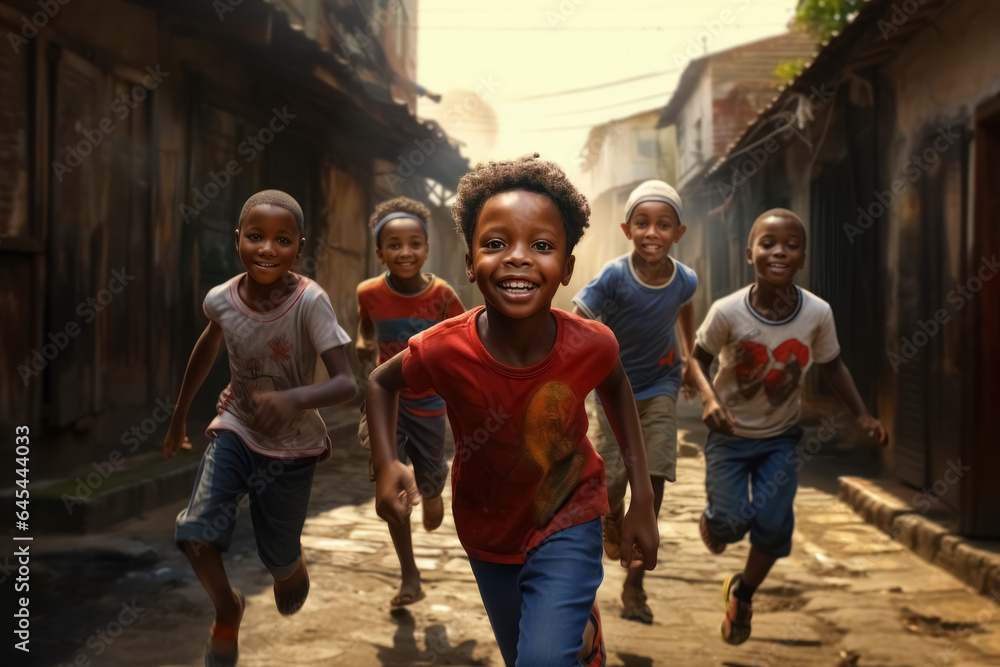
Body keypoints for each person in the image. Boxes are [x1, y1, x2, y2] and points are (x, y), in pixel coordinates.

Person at [367, 155, 660, 666]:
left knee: (542, 661)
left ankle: (571, 635)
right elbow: (379, 382)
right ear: (469, 261)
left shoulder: (591, 344)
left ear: (567, 267)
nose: (518, 258)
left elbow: (615, 387)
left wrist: (642, 497)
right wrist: (387, 463)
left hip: (570, 513)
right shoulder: (442, 349)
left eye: (542, 245)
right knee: (522, 654)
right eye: (496, 243)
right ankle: (583, 638)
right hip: (487, 527)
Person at [163, 190, 357, 667]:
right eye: (256, 236)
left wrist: (294, 397)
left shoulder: (310, 302)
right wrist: (179, 417)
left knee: (279, 560)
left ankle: (289, 567)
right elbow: (208, 348)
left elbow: (346, 383)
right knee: (195, 531)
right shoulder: (221, 300)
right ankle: (226, 608)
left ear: (299, 247)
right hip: (235, 426)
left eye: (282, 240)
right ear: (238, 241)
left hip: (292, 446)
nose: (267, 249)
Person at [687, 208, 887, 645]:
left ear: (802, 257)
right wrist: (708, 398)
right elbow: (696, 360)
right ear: (749, 254)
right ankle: (715, 521)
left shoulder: (817, 313)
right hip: (729, 436)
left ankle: (743, 592)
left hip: (781, 438)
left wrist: (863, 415)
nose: (779, 251)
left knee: (775, 528)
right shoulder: (727, 312)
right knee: (728, 525)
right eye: (768, 243)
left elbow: (834, 368)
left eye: (791, 245)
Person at [572, 179, 698, 624]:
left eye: (663, 225)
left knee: (657, 474)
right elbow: (579, 318)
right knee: (611, 479)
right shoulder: (613, 276)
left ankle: (634, 587)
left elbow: (685, 309)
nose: (652, 232)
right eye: (642, 223)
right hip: (612, 392)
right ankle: (611, 520)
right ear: (628, 230)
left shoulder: (685, 279)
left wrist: (689, 358)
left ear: (678, 233)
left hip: (662, 386)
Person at [355, 196, 465, 608]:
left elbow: (464, 338)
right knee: (390, 488)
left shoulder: (443, 296)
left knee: (431, 490)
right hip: (387, 400)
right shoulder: (368, 292)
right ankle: (409, 575)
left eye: (415, 243)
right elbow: (366, 327)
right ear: (380, 253)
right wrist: (365, 344)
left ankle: (434, 487)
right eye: (395, 245)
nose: (406, 252)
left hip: (430, 404)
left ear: (427, 249)